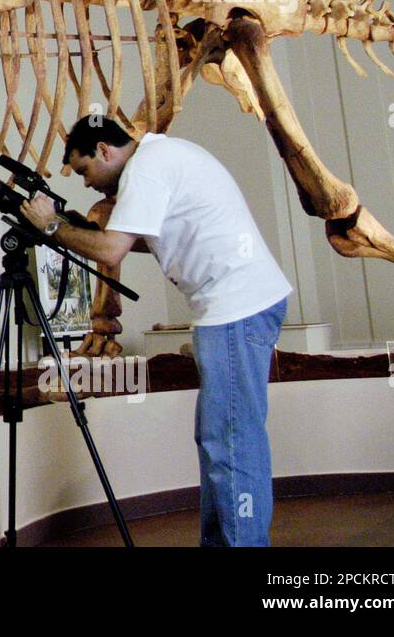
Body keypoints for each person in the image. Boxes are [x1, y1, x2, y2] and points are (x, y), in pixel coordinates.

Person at [20, 115, 292, 546]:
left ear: (105, 151)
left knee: (232, 443)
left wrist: (52, 226)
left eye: (85, 169)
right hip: (234, 308)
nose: (88, 184)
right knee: (219, 440)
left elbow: (112, 249)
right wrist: (78, 230)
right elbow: (149, 238)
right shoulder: (160, 156)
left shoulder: (147, 166)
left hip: (236, 310)